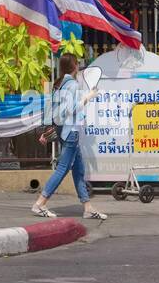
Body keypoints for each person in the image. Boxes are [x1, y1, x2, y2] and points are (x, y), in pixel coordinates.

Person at [31, 54, 108, 221]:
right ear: (74, 66)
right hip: (70, 132)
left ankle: (87, 207)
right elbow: (71, 109)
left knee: (79, 170)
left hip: (64, 131)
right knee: (63, 169)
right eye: (77, 63)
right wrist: (88, 97)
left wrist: (48, 132)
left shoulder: (59, 84)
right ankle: (40, 203)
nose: (79, 66)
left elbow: (55, 111)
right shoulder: (72, 84)